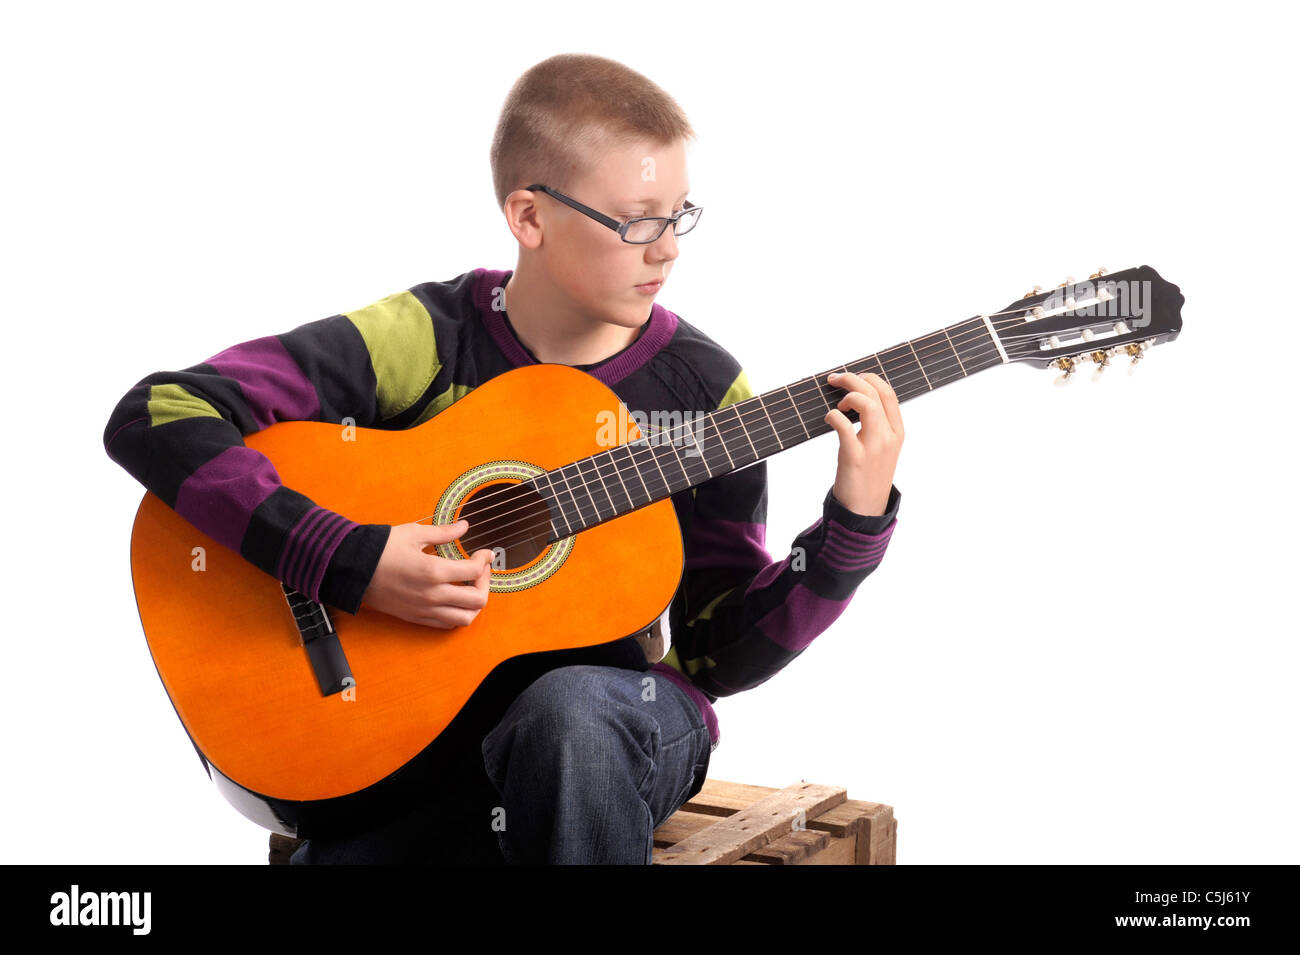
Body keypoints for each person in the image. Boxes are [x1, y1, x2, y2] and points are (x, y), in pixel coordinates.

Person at [103, 53, 904, 864]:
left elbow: (712, 653)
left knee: (572, 716)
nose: (666, 251)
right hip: (421, 732)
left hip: (623, 720)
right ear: (529, 216)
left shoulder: (702, 391)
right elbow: (160, 413)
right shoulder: (427, 338)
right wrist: (344, 556)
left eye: (678, 215)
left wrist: (851, 531)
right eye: (636, 221)